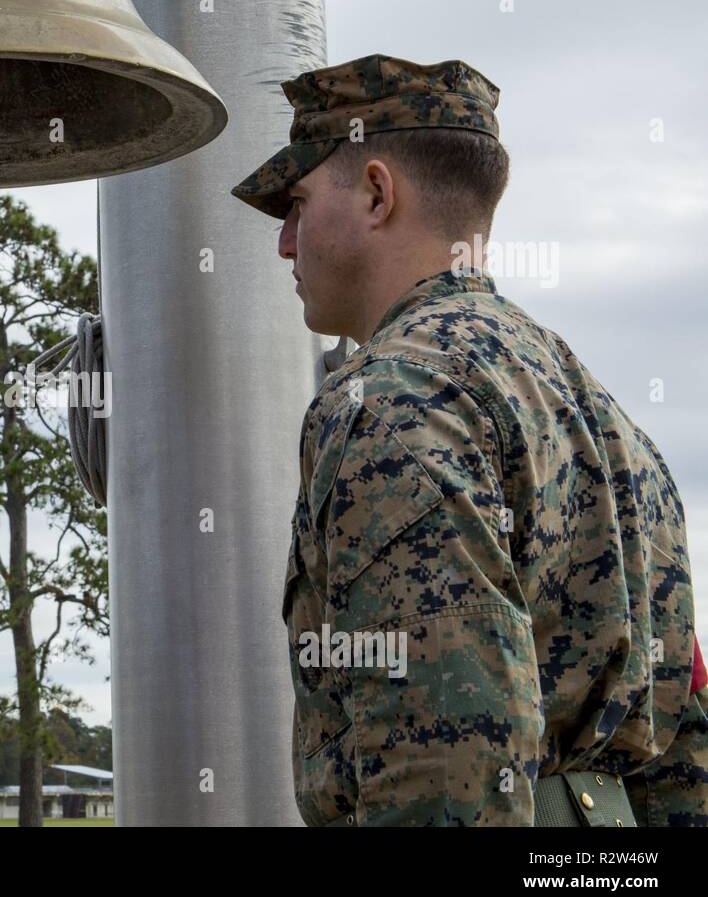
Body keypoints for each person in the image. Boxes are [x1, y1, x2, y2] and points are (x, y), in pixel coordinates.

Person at [231, 54, 707, 826]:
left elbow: (446, 762)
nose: (285, 243)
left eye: (297, 203)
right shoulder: (611, 421)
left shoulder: (389, 400)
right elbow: (685, 746)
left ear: (378, 193)